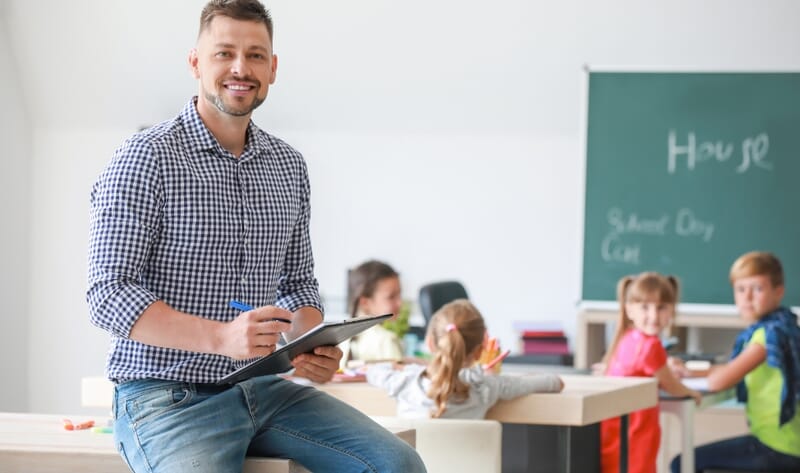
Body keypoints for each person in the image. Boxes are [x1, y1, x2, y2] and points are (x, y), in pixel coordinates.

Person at [86, 2, 425, 472]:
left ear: (273, 68)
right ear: (195, 63)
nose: (241, 68)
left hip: (264, 389)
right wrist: (222, 337)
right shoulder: (145, 158)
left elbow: (298, 285)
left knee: (398, 465)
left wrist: (307, 343)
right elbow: (108, 294)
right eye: (224, 53)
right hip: (164, 396)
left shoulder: (288, 166)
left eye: (256, 55)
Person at [670, 251, 800, 473]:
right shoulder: (784, 326)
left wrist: (704, 375)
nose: (747, 297)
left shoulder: (768, 336)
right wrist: (691, 372)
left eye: (757, 289)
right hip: (787, 445)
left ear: (778, 291)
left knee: (681, 464)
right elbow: (733, 369)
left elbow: (719, 382)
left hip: (776, 447)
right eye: (740, 289)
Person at [366, 299, 563, 418]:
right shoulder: (486, 386)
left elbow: (372, 371)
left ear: (430, 343)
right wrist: (490, 376)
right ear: (479, 351)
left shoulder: (403, 381)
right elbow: (554, 382)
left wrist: (411, 366)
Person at [600, 272, 702, 473]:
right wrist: (691, 392)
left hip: (615, 430)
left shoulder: (628, 337)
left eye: (661, 307)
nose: (654, 316)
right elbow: (671, 385)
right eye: (645, 307)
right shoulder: (651, 345)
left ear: (671, 309)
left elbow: (647, 368)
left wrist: (666, 365)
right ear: (629, 310)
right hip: (634, 433)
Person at [340, 260, 404, 367]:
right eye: (391, 297)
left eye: (399, 295)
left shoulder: (342, 339)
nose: (400, 303)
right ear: (365, 302)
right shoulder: (386, 340)